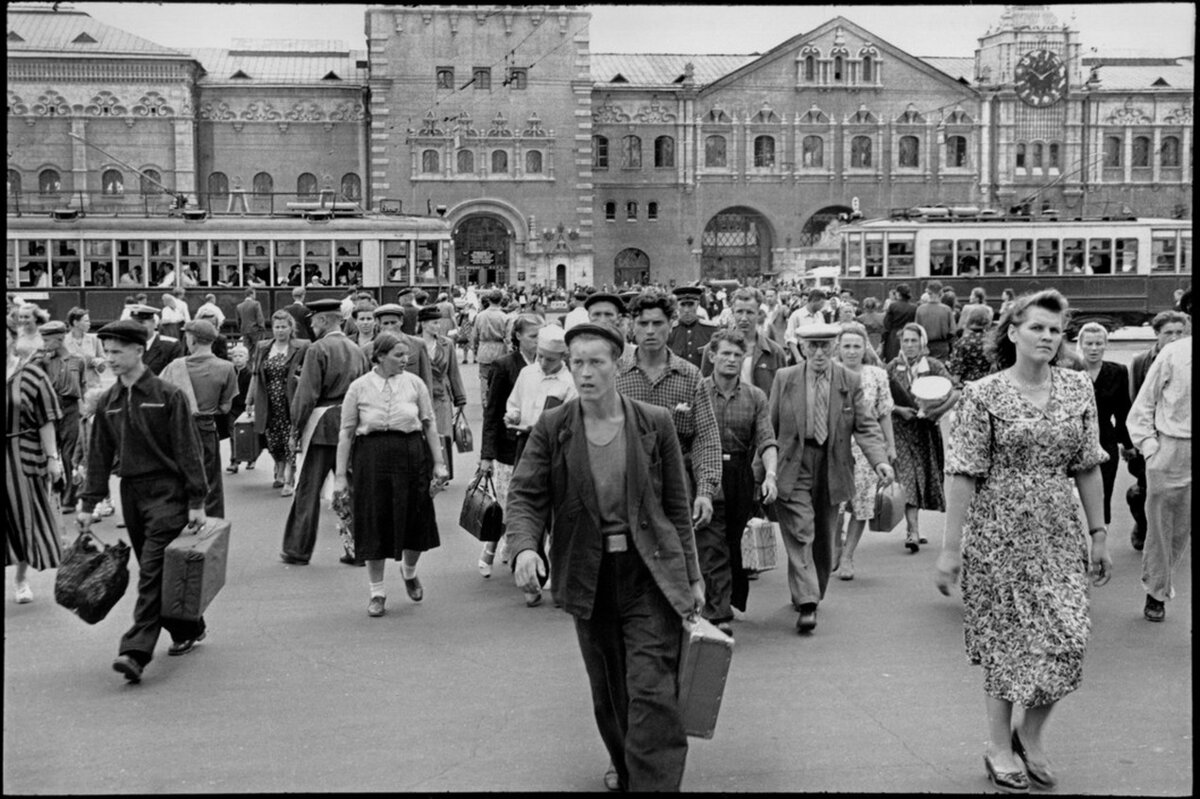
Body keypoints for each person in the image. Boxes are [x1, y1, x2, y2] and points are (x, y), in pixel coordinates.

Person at [506, 321, 704, 792]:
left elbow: (676, 504)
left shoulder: (653, 423)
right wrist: (525, 549)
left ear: (619, 364)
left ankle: (654, 784)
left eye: (597, 362)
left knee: (652, 689)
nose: (587, 372)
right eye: (578, 362)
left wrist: (691, 575)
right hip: (588, 574)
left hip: (648, 571)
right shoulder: (554, 427)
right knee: (611, 693)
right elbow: (526, 495)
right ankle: (627, 762)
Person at [935, 289, 1112, 793]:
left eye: (1056, 330)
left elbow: (1088, 466)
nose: (1048, 337)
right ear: (1012, 331)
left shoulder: (1079, 389)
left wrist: (1099, 534)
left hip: (1059, 531)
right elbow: (963, 475)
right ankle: (998, 747)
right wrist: (950, 550)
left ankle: (1029, 734)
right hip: (997, 533)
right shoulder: (982, 394)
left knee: (1069, 636)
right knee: (1006, 645)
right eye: (1037, 327)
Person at [77, 320, 210, 683]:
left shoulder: (168, 395)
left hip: (168, 493)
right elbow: (100, 456)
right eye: (107, 351)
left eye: (118, 351)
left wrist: (197, 500)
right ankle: (188, 628)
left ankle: (135, 651)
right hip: (131, 495)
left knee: (151, 572)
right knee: (156, 570)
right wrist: (88, 504)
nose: (111, 358)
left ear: (139, 350)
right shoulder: (110, 401)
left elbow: (188, 450)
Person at [769, 323, 893, 634]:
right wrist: (763, 472)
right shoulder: (786, 378)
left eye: (826, 346)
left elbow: (865, 425)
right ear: (802, 347)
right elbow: (768, 428)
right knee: (801, 529)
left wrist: (879, 460)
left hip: (832, 462)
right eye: (813, 346)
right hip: (793, 462)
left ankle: (810, 590)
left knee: (824, 534)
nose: (820, 352)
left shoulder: (849, 381)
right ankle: (807, 601)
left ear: (834, 346)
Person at [334, 333, 448, 617]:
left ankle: (408, 571)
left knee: (416, 519)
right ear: (380, 356)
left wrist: (439, 463)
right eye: (398, 355)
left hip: (410, 453)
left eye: (405, 354)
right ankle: (377, 593)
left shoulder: (415, 384)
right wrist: (339, 476)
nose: (404, 360)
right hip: (371, 457)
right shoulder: (359, 387)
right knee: (374, 520)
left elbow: (429, 424)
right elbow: (346, 432)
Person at [617, 291, 721, 533]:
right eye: (643, 323)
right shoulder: (616, 375)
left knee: (677, 558)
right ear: (632, 326)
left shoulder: (689, 375)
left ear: (671, 324)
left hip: (676, 485)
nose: (650, 330)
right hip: (625, 485)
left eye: (658, 323)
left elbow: (706, 437)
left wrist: (705, 492)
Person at [698, 329, 778, 634]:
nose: (731, 360)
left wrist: (770, 475)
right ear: (712, 356)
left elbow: (766, 439)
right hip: (706, 471)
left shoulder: (755, 396)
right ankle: (717, 612)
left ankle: (726, 599)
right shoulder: (698, 391)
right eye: (725, 354)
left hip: (741, 475)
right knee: (711, 540)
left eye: (737, 354)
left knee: (733, 541)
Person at [280, 299, 370, 565]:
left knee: (308, 488)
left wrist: (295, 427)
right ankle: (358, 549)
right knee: (351, 488)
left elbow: (306, 394)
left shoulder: (317, 349)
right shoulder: (357, 349)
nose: (311, 324)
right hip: (351, 423)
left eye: (313, 320)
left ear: (323, 320)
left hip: (321, 424)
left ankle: (297, 549)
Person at [1125, 299, 1191, 623]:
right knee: (1167, 530)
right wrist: (1153, 450)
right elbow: (1141, 407)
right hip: (1174, 450)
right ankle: (1156, 592)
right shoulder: (1174, 354)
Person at [476, 314, 543, 578]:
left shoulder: (549, 365)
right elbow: (492, 413)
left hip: (538, 444)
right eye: (532, 336)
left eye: (540, 335)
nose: (537, 342)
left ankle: (524, 552)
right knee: (507, 503)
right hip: (508, 446)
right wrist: (486, 456)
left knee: (534, 503)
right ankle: (491, 547)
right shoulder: (504, 366)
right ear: (517, 337)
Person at [886, 322, 958, 552]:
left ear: (922, 343)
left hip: (925, 431)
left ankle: (914, 526)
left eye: (913, 341)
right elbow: (882, 399)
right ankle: (913, 531)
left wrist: (937, 411)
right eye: (905, 341)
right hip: (900, 429)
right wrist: (898, 410)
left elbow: (954, 392)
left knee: (924, 477)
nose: (909, 345)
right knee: (908, 477)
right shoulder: (892, 367)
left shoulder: (934, 366)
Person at [6, 320, 64, 604]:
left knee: (22, 517)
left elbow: (46, 421)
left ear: (12, 339)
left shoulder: (30, 375)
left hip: (22, 455)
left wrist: (53, 458)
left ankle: (20, 580)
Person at [832, 322, 896, 581]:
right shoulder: (830, 372)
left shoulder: (876, 375)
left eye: (856, 346)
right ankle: (835, 544)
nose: (851, 351)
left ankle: (848, 556)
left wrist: (889, 447)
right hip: (836, 448)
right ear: (838, 348)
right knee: (835, 506)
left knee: (861, 504)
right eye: (846, 346)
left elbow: (884, 412)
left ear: (864, 348)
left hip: (866, 450)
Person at [161, 319, 238, 518]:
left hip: (177, 430)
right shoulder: (227, 368)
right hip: (206, 429)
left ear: (193, 339)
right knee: (210, 480)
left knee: (179, 478)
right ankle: (211, 527)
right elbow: (225, 407)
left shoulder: (174, 367)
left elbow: (161, 399)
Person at [1075, 323, 1133, 527]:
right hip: (1073, 438)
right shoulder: (1069, 371)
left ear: (1106, 345)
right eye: (1089, 343)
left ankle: (1100, 537)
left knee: (1104, 490)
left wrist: (1127, 443)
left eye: (1099, 343)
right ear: (1080, 344)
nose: (1094, 348)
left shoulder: (1118, 371)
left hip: (1105, 439)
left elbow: (1123, 410)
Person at [247, 311, 310, 496]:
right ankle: (279, 468)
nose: (280, 331)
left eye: (284, 327)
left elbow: (308, 372)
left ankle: (289, 478)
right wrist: (249, 400)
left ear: (291, 328)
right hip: (268, 401)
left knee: (290, 438)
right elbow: (256, 375)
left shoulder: (302, 346)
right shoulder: (263, 346)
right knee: (273, 440)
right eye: (277, 327)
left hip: (290, 400)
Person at [32, 321, 87, 510]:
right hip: (49, 406)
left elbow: (82, 386)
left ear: (60, 339)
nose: (44, 344)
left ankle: (69, 498)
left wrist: (83, 407)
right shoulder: (42, 360)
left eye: (48, 340)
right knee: (50, 452)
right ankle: (53, 493)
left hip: (70, 407)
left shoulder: (77, 360)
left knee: (69, 453)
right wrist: (39, 360)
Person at [418, 305, 467, 481]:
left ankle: (443, 471)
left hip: (442, 395)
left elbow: (453, 371)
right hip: (422, 396)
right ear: (423, 324)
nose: (438, 326)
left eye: (439, 323)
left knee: (445, 434)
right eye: (434, 323)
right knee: (424, 433)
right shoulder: (415, 344)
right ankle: (426, 470)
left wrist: (460, 398)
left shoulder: (447, 344)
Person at [472, 290, 510, 408]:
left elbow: (474, 336)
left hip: (484, 349)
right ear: (501, 300)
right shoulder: (505, 317)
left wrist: (475, 349)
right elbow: (508, 339)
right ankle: (497, 403)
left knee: (484, 378)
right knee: (499, 380)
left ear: (488, 300)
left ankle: (485, 402)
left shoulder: (480, 316)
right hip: (500, 350)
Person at [666, 286, 717, 369]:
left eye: (690, 305)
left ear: (697, 305)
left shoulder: (711, 330)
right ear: (677, 306)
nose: (686, 310)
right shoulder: (669, 331)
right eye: (683, 305)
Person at [945, 305, 995, 387]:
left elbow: (957, 371)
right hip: (988, 382)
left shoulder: (962, 342)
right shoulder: (992, 340)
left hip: (968, 384)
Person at [130, 304, 184, 376]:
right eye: (133, 323)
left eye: (141, 323)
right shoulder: (127, 345)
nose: (136, 327)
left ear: (154, 323)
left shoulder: (170, 346)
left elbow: (177, 376)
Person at [224, 344, 254, 474]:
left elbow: (252, 391)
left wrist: (251, 404)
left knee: (248, 434)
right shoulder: (229, 373)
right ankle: (234, 461)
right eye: (235, 356)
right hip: (232, 407)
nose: (237, 359)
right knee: (233, 434)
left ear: (247, 358)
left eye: (241, 356)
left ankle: (251, 457)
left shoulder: (250, 374)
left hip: (245, 408)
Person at [63, 307, 107, 388]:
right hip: (71, 387)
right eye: (86, 321)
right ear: (76, 323)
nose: (89, 323)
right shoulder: (63, 341)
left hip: (92, 386)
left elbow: (103, 366)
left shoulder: (95, 339)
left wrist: (100, 362)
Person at [784, 288, 831, 363]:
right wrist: (798, 356)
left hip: (817, 352)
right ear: (813, 301)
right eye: (821, 303)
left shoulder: (819, 315)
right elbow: (790, 338)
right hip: (801, 353)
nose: (822, 306)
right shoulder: (797, 315)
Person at [915, 284, 956, 360]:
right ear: (940, 293)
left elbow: (916, 330)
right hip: (942, 346)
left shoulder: (920, 309)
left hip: (925, 346)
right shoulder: (946, 310)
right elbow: (952, 331)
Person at [880, 283, 917, 362]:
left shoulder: (893, 306)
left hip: (894, 336)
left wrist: (883, 340)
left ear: (899, 294)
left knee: (893, 359)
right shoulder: (914, 307)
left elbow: (887, 324)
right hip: (908, 334)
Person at [236, 287, 266, 351]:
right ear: (251, 294)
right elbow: (259, 317)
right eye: (255, 294)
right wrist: (262, 327)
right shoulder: (256, 304)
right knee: (258, 350)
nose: (255, 296)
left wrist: (241, 329)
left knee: (246, 350)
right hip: (256, 330)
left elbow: (239, 320)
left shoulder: (239, 306)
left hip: (245, 330)